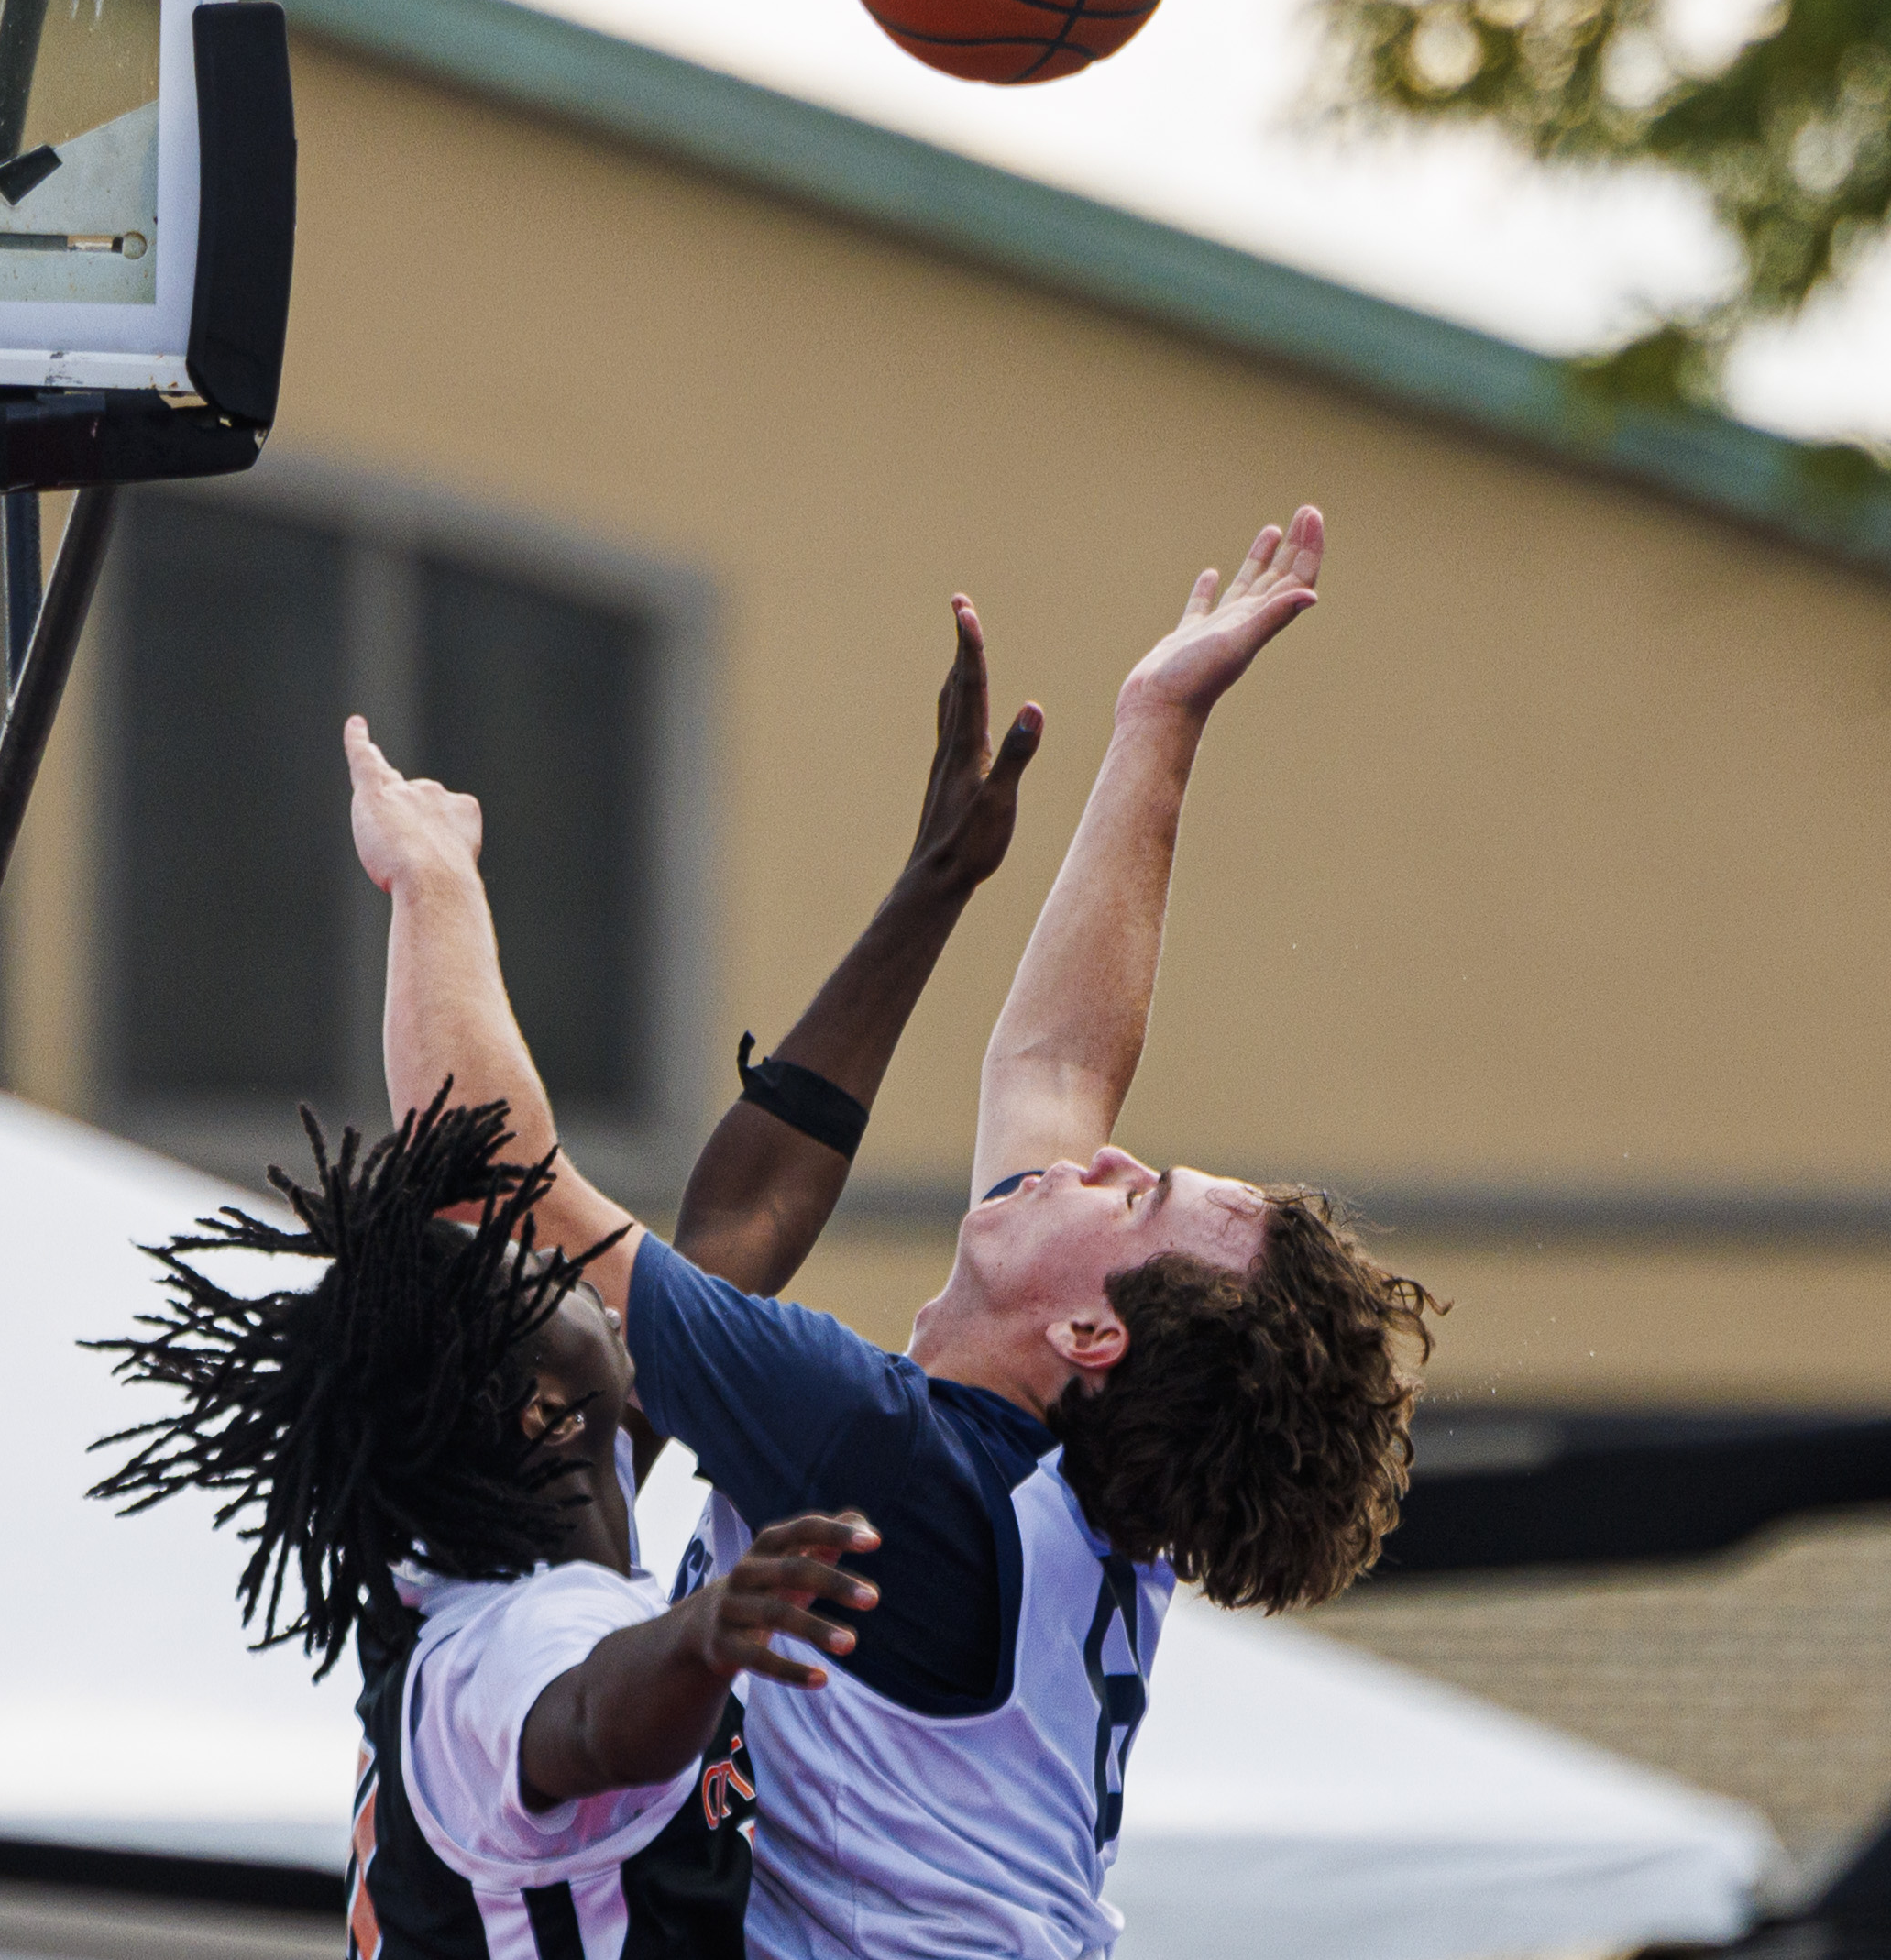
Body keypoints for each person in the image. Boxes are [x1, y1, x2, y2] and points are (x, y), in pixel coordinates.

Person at [351, 515, 1440, 1960]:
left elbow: (493, 1168)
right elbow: (1056, 1067)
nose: (1099, 1155)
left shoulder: (896, 1464)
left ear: (1091, 1335)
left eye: (1135, 1191)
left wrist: (430, 881)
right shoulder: (1061, 1464)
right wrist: (1156, 723)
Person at [92, 603, 1044, 1960]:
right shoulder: (513, 1641)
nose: (558, 1260)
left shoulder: (517, 1544)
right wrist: (703, 1635)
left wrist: (932, 883)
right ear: (537, 1409)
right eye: (521, 1277)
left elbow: (742, 1221)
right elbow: (587, 1716)